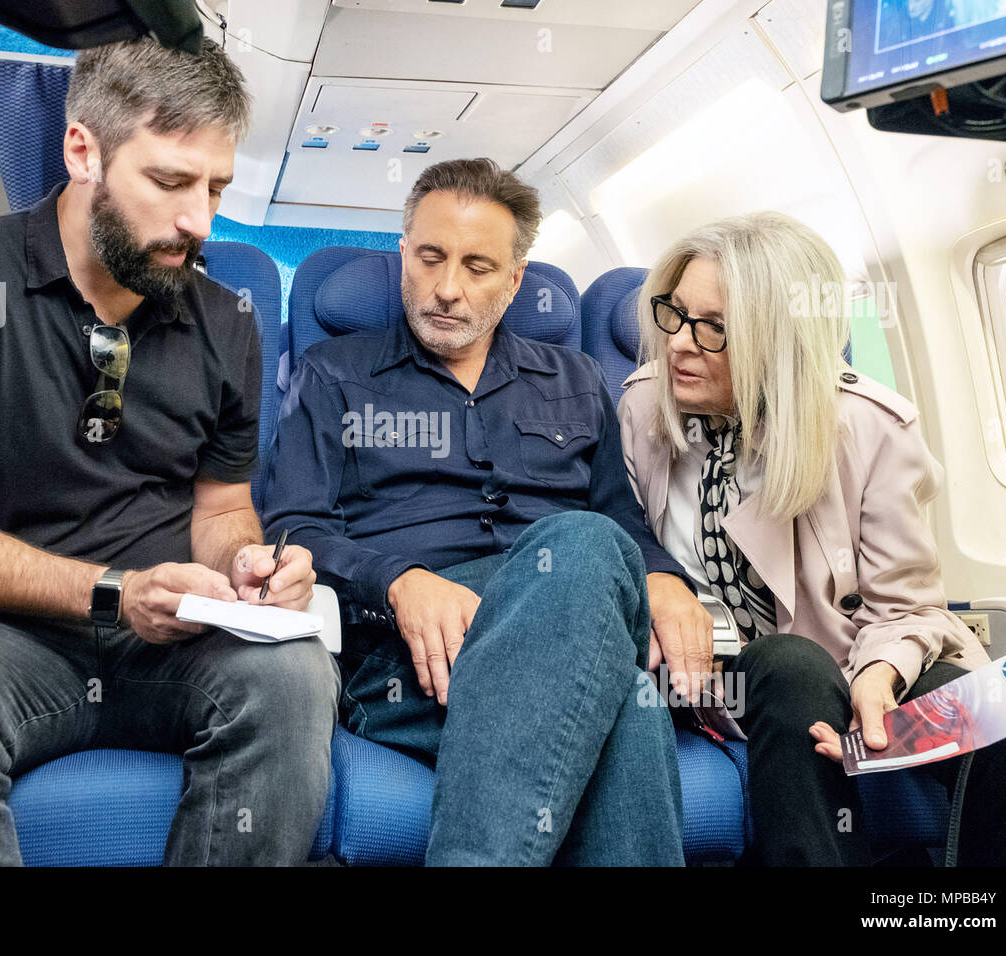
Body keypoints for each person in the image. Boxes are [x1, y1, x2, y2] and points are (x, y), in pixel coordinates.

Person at [0, 37, 339, 866]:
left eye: (216, 188)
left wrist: (248, 564)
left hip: (172, 639)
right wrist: (115, 591)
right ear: (82, 151)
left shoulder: (229, 320)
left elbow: (221, 507)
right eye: (170, 182)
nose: (199, 221)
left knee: (295, 680)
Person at [261, 158, 710, 866]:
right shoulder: (334, 375)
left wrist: (664, 578)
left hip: (562, 603)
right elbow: (290, 528)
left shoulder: (574, 376)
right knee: (625, 701)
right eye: (431, 257)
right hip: (409, 660)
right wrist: (398, 579)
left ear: (514, 280)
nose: (446, 288)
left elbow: (621, 522)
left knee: (586, 543)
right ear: (403, 255)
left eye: (476, 266)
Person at [618, 210, 1006, 865]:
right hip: (722, 676)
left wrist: (879, 676)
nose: (678, 343)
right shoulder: (642, 410)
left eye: (713, 330)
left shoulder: (871, 427)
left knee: (1004, 720)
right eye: (674, 315)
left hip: (861, 656)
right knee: (793, 667)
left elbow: (903, 606)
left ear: (777, 342)